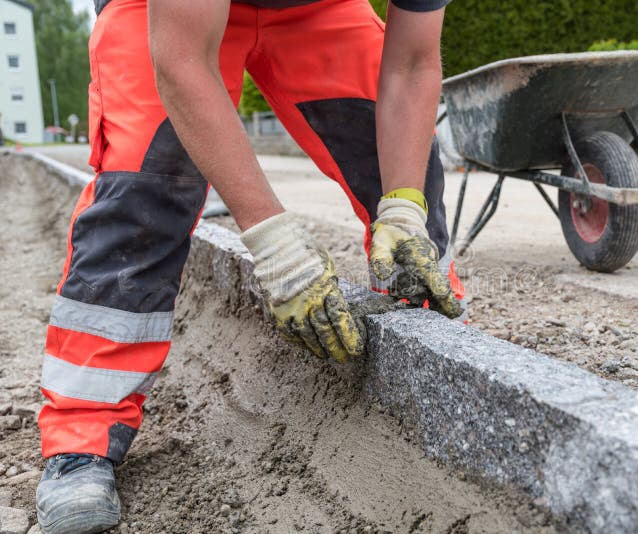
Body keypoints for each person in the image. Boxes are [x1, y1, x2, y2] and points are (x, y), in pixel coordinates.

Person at [34, 0, 464, 532]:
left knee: (407, 168)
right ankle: (82, 438)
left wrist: (403, 208)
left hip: (317, 8)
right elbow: (182, 60)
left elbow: (413, 63)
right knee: (145, 187)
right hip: (164, 16)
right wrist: (272, 239)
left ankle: (429, 354)